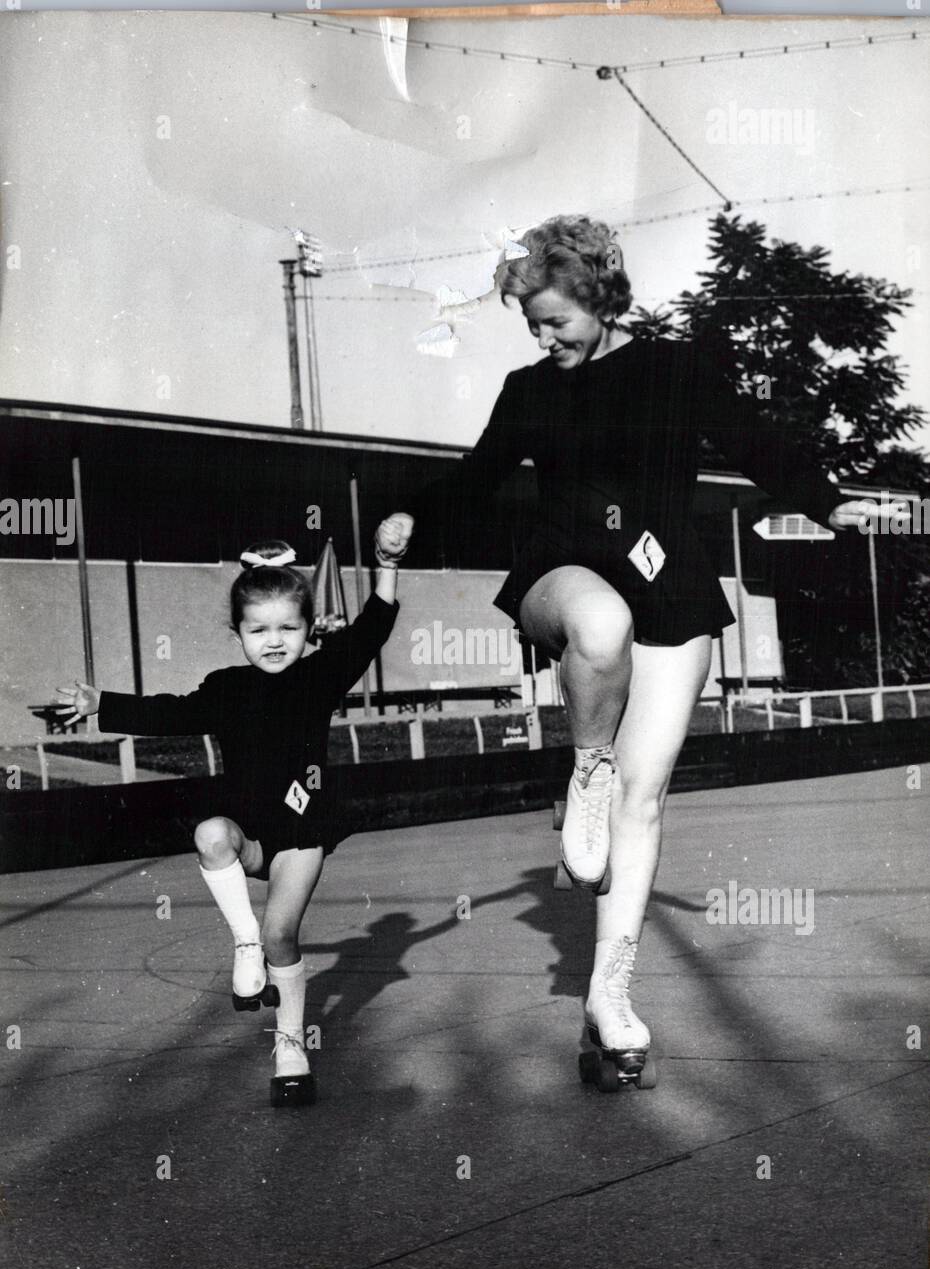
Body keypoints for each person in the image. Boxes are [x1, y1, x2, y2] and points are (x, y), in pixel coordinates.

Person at [411, 212, 899, 1088]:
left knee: (645, 801)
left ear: (599, 299)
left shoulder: (674, 370)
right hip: (562, 574)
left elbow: (755, 440)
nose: (544, 337)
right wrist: (412, 517)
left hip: (670, 585)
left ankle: (610, 993)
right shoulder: (529, 391)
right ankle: (584, 770)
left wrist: (827, 503)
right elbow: (473, 479)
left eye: (557, 320)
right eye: (532, 326)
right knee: (600, 630)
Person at [54, 514, 414, 1106]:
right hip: (250, 832)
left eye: (288, 629)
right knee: (209, 834)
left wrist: (388, 564)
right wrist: (100, 703)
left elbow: (373, 628)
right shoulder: (225, 688)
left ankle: (291, 1044)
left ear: (308, 630)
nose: (274, 641)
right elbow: (167, 712)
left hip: (301, 833)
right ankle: (243, 941)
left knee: (283, 935)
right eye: (259, 630)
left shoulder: (322, 676)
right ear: (238, 633)